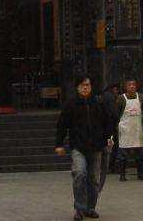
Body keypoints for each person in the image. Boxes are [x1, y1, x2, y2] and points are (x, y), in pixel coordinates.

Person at [54, 74, 114, 221]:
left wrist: (109, 138)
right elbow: (61, 126)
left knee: (94, 179)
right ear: (77, 87)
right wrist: (59, 144)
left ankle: (90, 207)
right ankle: (79, 208)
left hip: (97, 146)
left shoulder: (98, 103)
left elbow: (108, 122)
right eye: (82, 85)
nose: (86, 88)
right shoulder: (70, 105)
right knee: (79, 173)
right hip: (78, 147)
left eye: (88, 85)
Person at [115, 77, 143, 181]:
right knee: (123, 154)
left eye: (133, 84)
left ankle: (141, 173)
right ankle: (122, 174)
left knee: (140, 153)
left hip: (137, 128)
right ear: (126, 87)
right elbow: (116, 113)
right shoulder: (121, 98)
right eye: (129, 85)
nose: (131, 86)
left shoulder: (141, 97)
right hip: (125, 129)